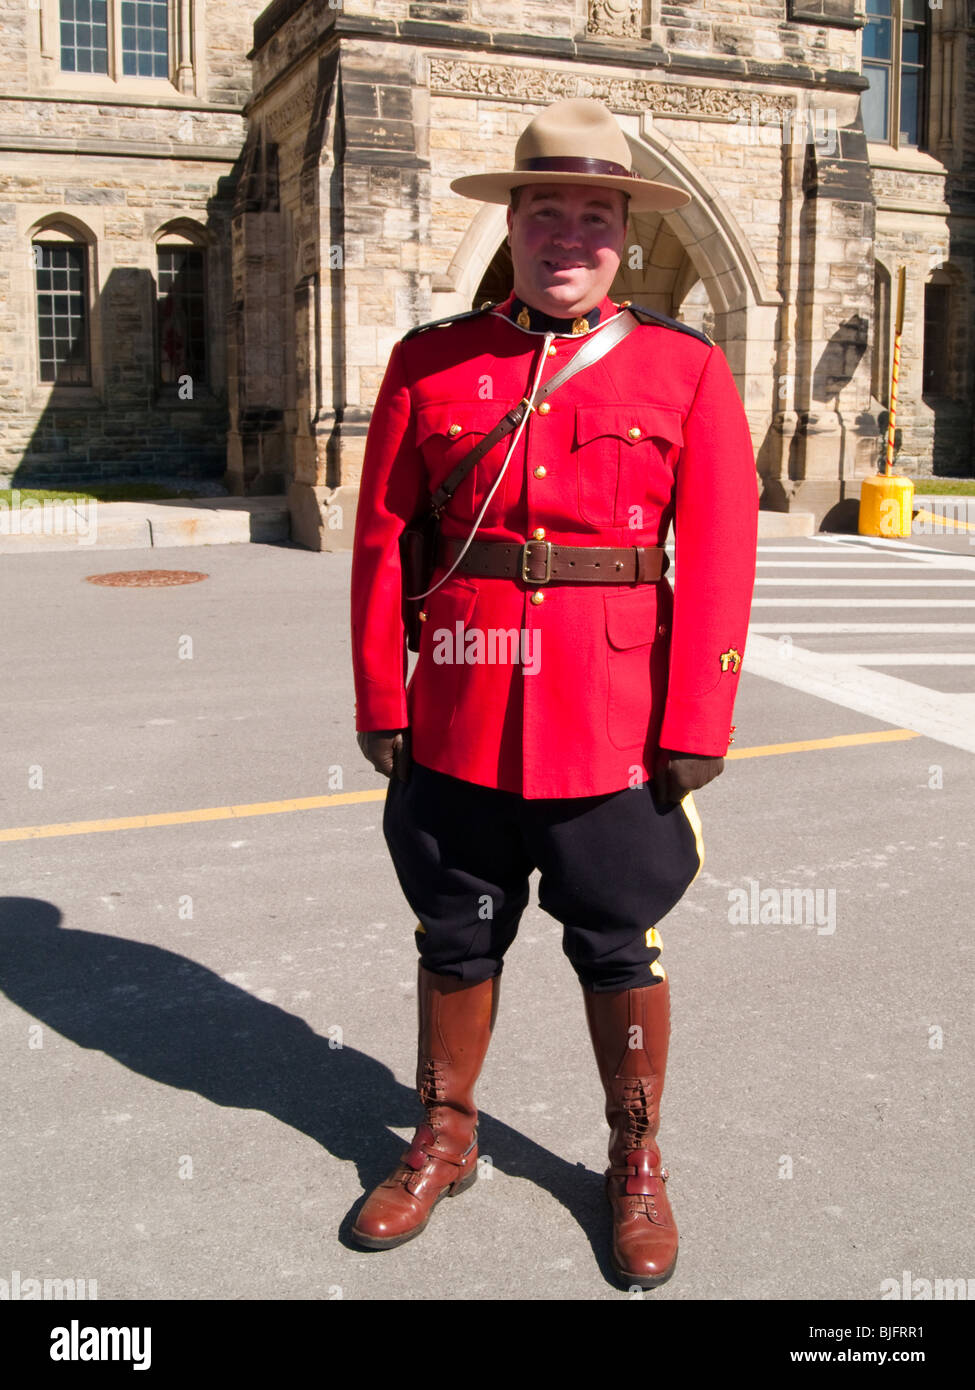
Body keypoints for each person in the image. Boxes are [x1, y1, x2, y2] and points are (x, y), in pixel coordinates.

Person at [348, 97, 758, 1288]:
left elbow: (722, 554)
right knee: (455, 932)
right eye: (544, 211)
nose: (567, 234)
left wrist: (697, 720)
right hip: (463, 707)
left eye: (593, 214)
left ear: (622, 234)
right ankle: (446, 1134)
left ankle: (634, 1162)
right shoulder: (431, 361)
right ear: (512, 225)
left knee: (619, 945)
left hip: (615, 721)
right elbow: (385, 540)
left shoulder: (683, 368)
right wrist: (385, 697)